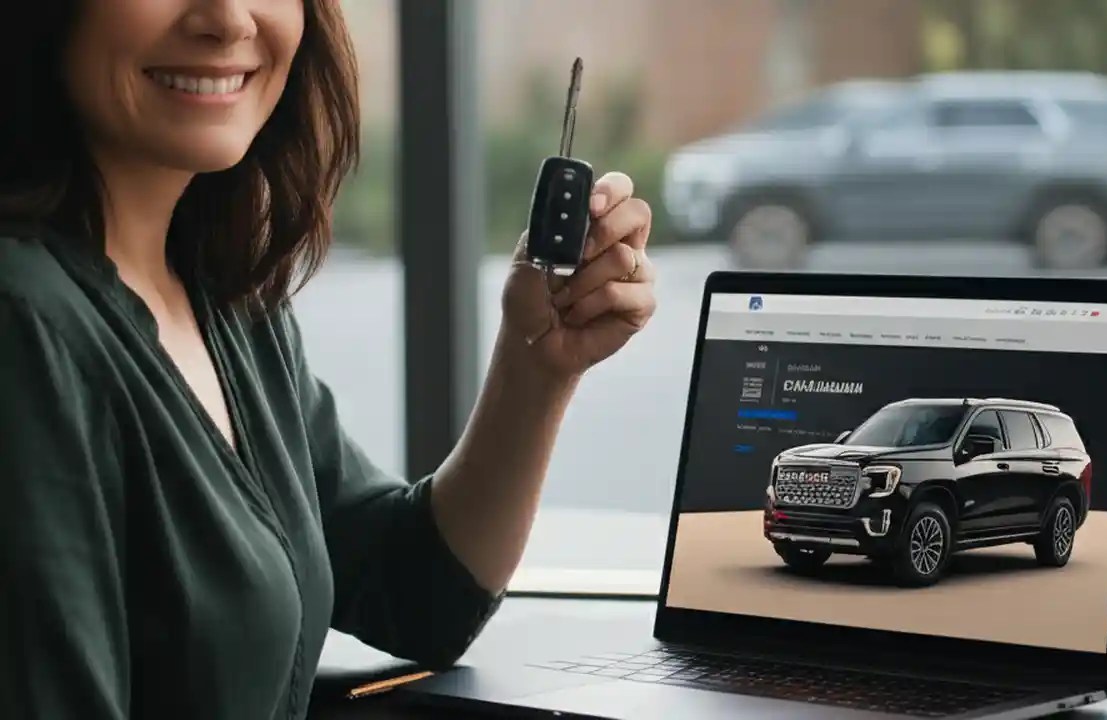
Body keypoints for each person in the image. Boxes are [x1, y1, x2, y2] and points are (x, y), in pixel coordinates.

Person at [0, 1, 657, 718]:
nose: (226, 19)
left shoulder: (223, 295)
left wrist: (538, 366)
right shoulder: (24, 325)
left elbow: (418, 593)